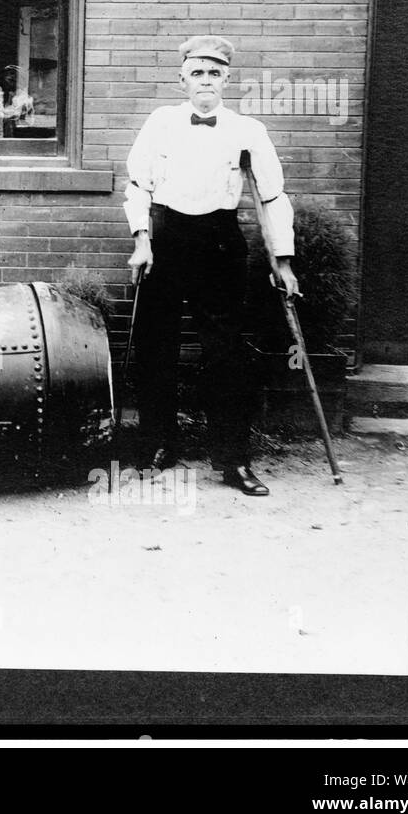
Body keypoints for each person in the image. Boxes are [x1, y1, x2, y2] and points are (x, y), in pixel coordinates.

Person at [123, 35, 299, 496]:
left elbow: (272, 195)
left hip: (220, 243)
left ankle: (233, 460)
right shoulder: (160, 123)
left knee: (225, 354)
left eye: (214, 73)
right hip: (165, 239)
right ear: (182, 78)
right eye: (197, 73)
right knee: (155, 346)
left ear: (227, 79)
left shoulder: (247, 130)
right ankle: (159, 443)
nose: (206, 81)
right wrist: (142, 241)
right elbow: (138, 184)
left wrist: (282, 260)